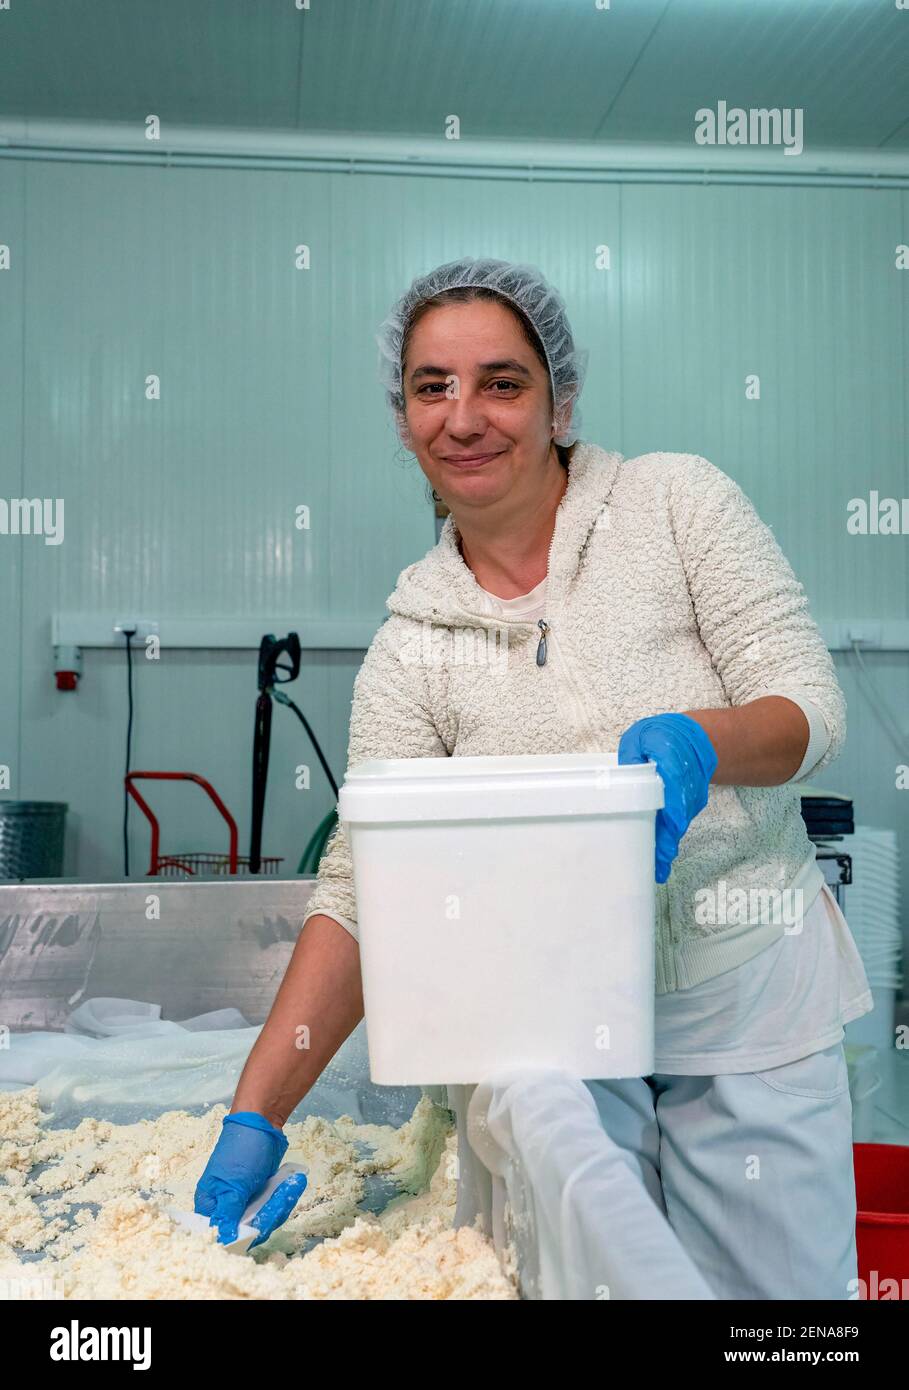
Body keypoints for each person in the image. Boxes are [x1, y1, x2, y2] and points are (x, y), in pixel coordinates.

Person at [195, 257, 872, 1299]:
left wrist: (703, 739)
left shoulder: (676, 507)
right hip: (549, 1009)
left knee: (773, 1309)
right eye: (433, 387)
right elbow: (361, 889)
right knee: (578, 1274)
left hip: (743, 984)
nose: (464, 417)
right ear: (404, 414)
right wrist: (257, 1114)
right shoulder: (412, 645)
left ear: (560, 400)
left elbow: (811, 709)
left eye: (501, 382)